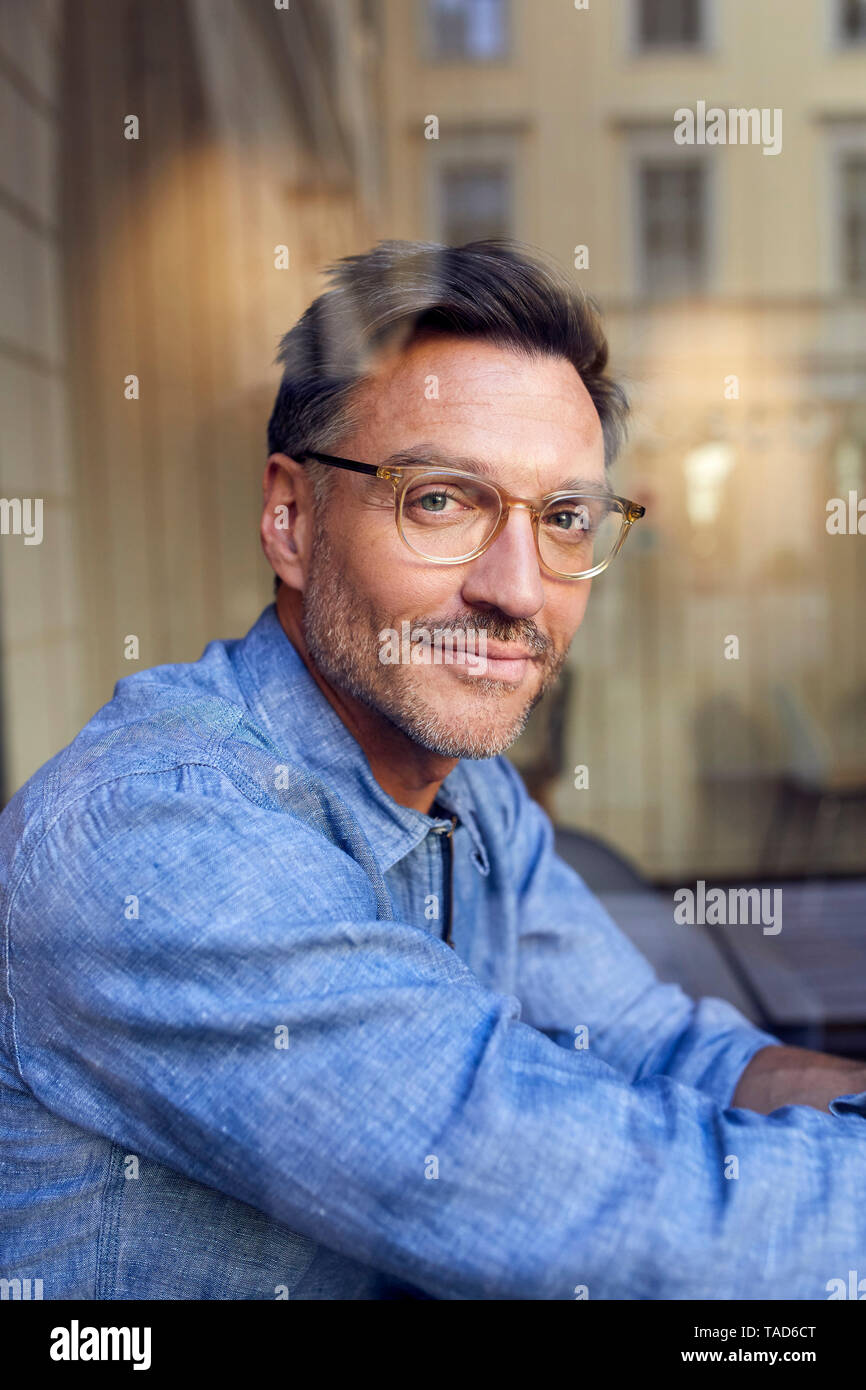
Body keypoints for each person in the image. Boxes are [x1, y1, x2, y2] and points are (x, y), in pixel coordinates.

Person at [1, 239, 865, 1301]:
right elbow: (595, 1205)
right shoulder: (154, 840)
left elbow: (657, 1049)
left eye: (562, 519)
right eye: (442, 500)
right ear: (291, 516)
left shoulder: (470, 787)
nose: (518, 590)